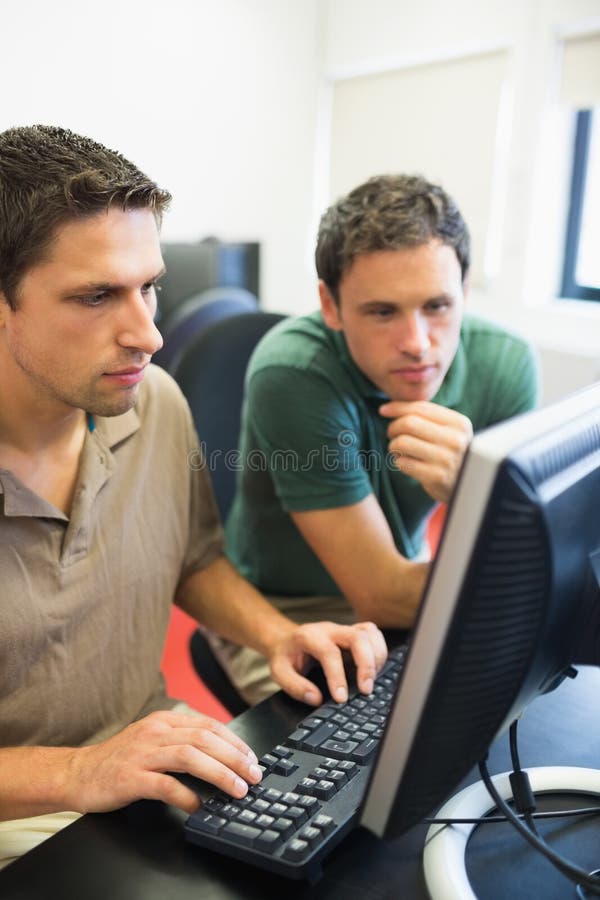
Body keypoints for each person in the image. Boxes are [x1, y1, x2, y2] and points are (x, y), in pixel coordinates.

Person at [0, 125, 387, 870]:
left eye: (149, 286)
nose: (147, 333)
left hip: (145, 764)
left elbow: (193, 560)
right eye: (96, 295)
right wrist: (81, 772)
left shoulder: (154, 404)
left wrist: (277, 636)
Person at [214, 173, 539, 705]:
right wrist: (500, 514)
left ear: (465, 288)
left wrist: (478, 498)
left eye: (437, 306)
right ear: (331, 305)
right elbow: (383, 596)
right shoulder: (294, 372)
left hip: (417, 577)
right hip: (283, 610)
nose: (417, 344)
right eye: (383, 312)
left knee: (522, 714)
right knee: (368, 763)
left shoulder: (505, 364)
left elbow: (498, 554)